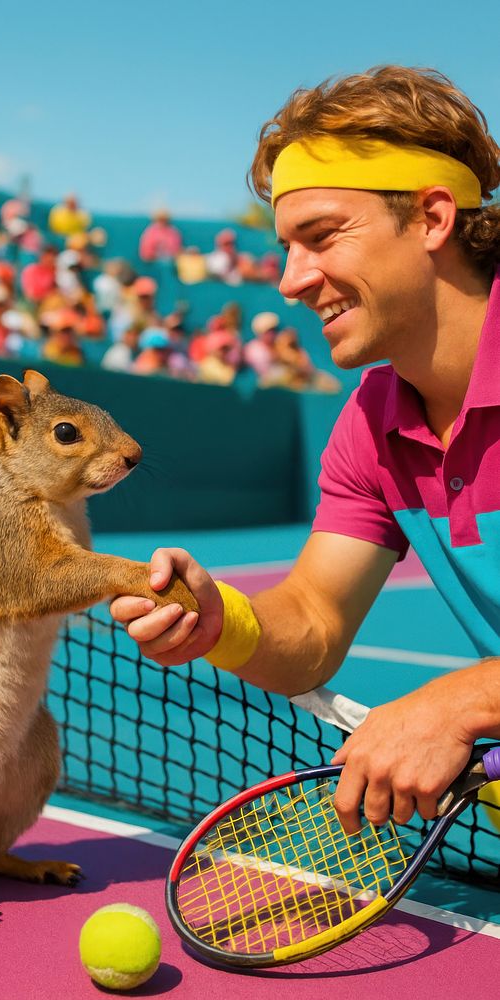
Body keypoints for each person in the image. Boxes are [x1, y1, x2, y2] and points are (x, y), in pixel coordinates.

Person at [109, 65, 500, 836]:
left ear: (431, 218)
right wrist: (220, 620)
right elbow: (315, 621)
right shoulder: (370, 421)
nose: (291, 281)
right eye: (287, 247)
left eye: (321, 237)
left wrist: (461, 701)